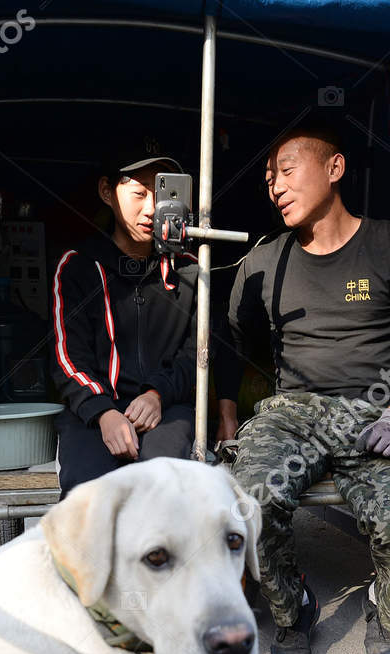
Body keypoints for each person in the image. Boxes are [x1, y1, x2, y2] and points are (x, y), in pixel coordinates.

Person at [229, 124, 390, 654]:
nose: (274, 186)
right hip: (293, 413)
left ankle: (383, 605)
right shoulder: (264, 261)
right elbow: (242, 343)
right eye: (269, 178)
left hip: (374, 411)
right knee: (251, 499)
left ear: (334, 168)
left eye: (286, 170)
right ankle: (292, 608)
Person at [49, 140, 239, 495]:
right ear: (107, 192)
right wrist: (103, 412)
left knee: (163, 487)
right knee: (87, 496)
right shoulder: (78, 267)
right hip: (93, 413)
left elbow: (199, 353)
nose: (152, 208)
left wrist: (157, 394)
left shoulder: (190, 270)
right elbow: (67, 358)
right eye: (139, 193)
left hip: (167, 408)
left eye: (162, 194)